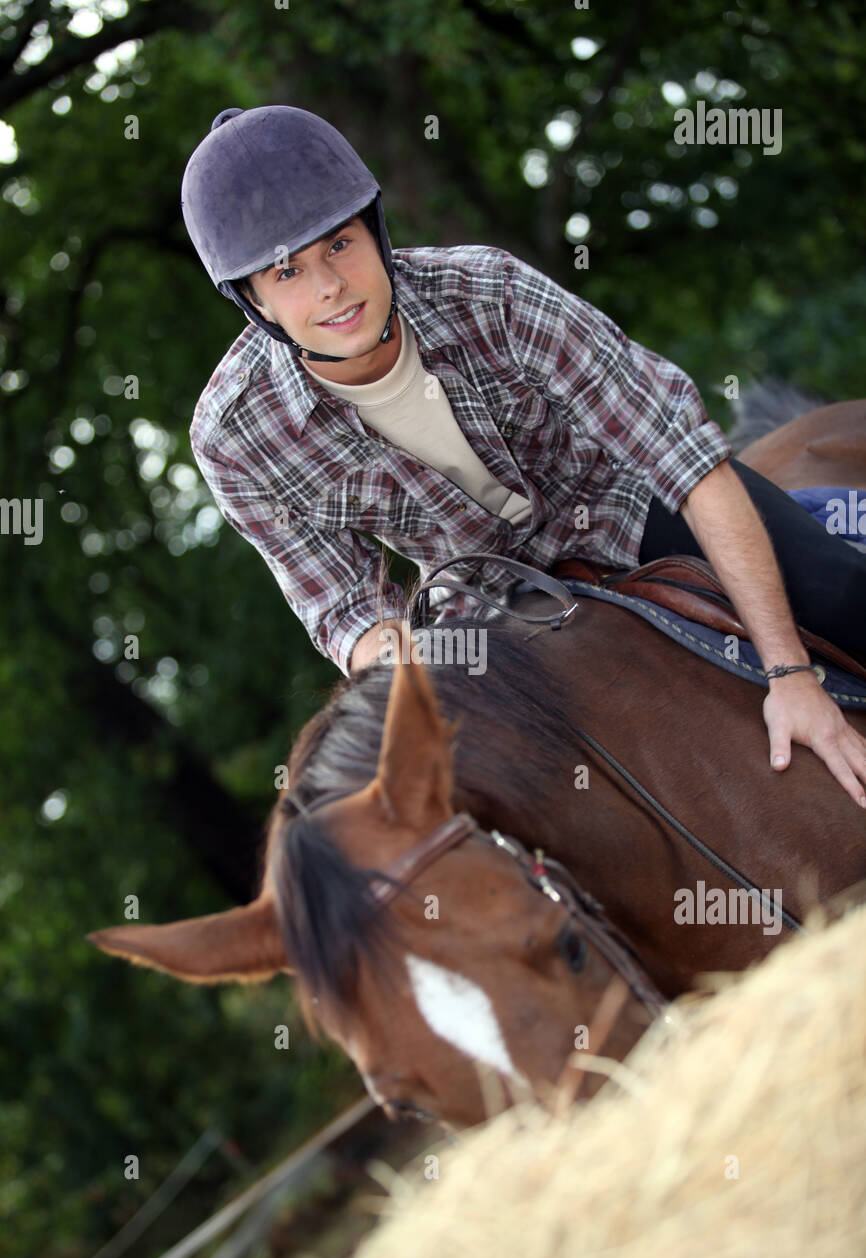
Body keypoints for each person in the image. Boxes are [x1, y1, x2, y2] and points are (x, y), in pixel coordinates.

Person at [181, 104, 866, 808]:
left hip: (619, 502)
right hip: (485, 600)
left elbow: (682, 458)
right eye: (287, 273)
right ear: (254, 301)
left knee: (846, 593)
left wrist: (790, 675)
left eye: (338, 245)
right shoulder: (234, 437)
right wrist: (424, 698)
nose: (329, 286)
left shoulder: (492, 292)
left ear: (376, 232)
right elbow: (350, 612)